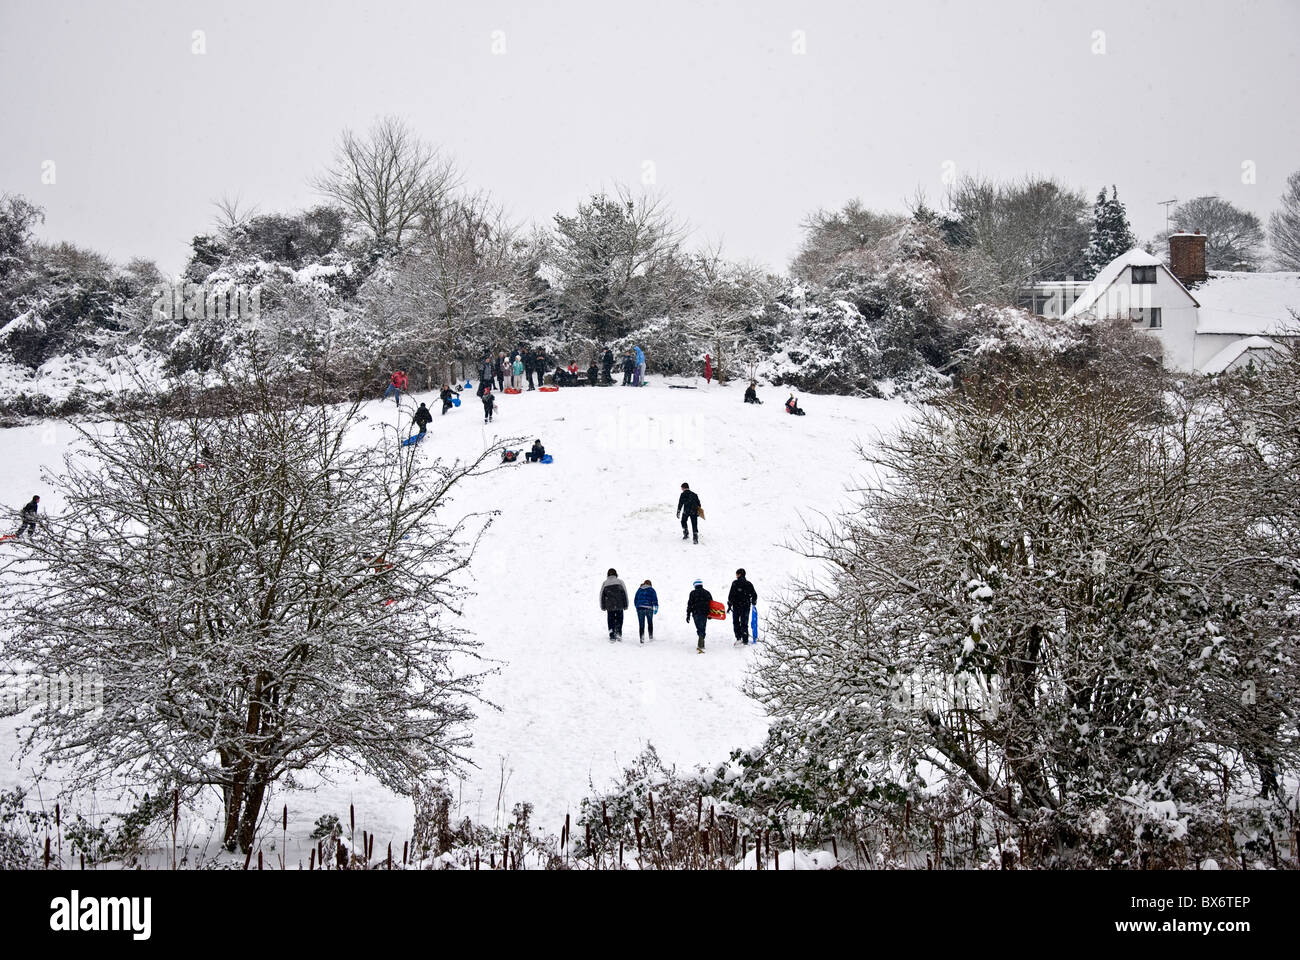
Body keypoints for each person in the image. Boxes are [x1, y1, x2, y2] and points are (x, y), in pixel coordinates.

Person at [727, 568, 759, 645]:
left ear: (739, 574)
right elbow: (754, 594)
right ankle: (745, 639)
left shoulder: (735, 583)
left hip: (736, 606)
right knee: (744, 622)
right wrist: (753, 602)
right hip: (746, 606)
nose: (736, 576)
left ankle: (738, 638)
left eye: (737, 574)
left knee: (736, 622)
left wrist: (729, 604)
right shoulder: (749, 584)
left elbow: (731, 595)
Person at [600, 568, 629, 641]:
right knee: (619, 620)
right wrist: (626, 605)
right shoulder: (620, 582)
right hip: (619, 605)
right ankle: (618, 633)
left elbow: (602, 596)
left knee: (610, 620)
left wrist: (603, 606)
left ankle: (612, 635)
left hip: (609, 606)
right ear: (616, 574)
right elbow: (624, 594)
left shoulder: (605, 583)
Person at [686, 579, 713, 653]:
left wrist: (688, 614)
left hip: (696, 613)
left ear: (695, 585)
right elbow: (712, 604)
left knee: (699, 628)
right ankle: (701, 642)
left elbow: (689, 604)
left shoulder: (692, 593)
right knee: (702, 628)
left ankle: (700, 644)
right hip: (704, 613)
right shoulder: (707, 593)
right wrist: (711, 614)